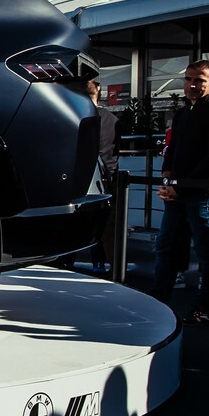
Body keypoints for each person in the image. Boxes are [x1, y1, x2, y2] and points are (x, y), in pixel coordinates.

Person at [149, 60, 209, 324]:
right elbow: (172, 150)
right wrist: (168, 181)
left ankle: (205, 309)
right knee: (165, 247)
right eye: (188, 79)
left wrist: (179, 187)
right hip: (178, 194)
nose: (191, 85)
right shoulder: (184, 112)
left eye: (198, 79)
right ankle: (157, 303)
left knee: (206, 252)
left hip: (205, 196)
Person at [85, 78, 121, 275]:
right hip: (107, 175)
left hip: (83, 175)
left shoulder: (78, 116)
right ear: (98, 91)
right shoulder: (113, 120)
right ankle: (111, 264)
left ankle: (65, 261)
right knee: (107, 224)